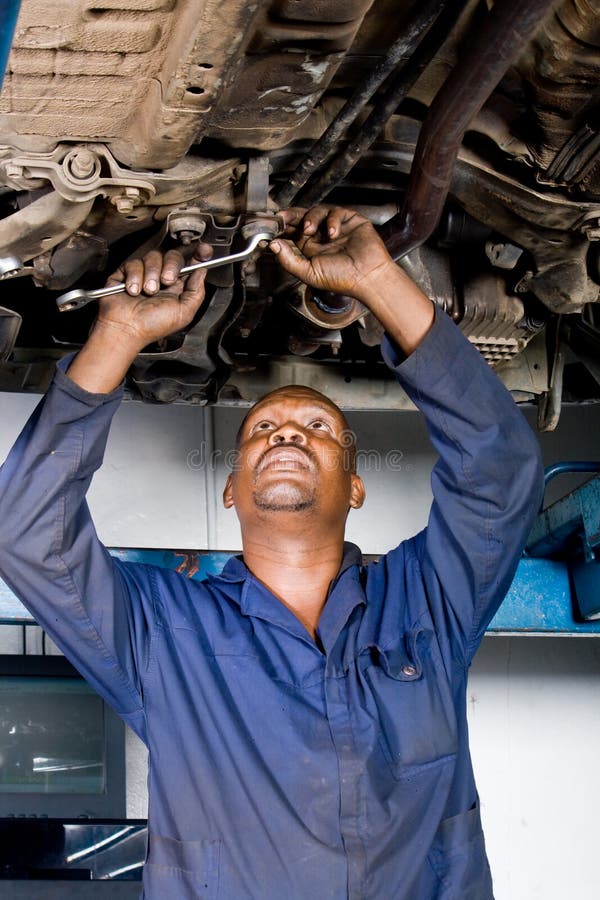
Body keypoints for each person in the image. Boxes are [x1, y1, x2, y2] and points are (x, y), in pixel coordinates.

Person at [0, 206, 543, 899]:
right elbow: (25, 530)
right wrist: (119, 332)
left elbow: (499, 471)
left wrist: (379, 279)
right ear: (231, 489)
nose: (287, 435)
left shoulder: (429, 601)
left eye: (316, 425)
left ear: (356, 485)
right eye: (263, 429)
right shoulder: (164, 637)